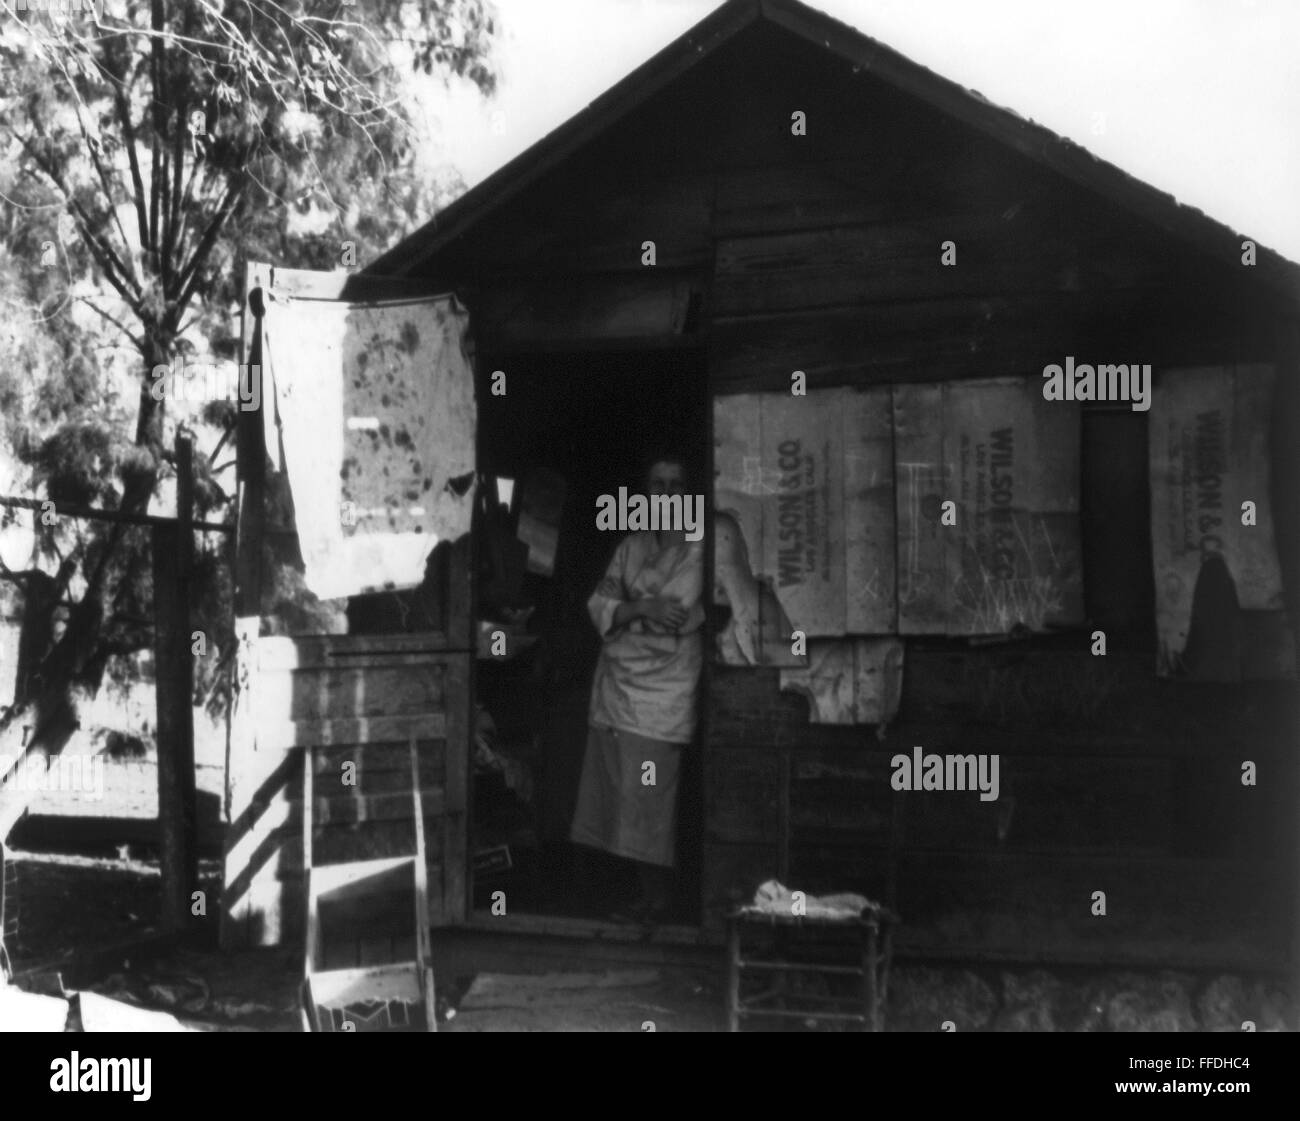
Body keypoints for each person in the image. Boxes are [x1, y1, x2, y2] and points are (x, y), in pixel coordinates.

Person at [569, 452, 704, 922]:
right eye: (657, 484)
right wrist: (640, 610)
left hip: (661, 696)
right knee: (622, 795)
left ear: (688, 492)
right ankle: (644, 899)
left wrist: (630, 611)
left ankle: (661, 901)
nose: (665, 493)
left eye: (675, 484)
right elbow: (599, 606)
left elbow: (675, 614)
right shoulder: (632, 544)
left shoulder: (698, 547)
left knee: (650, 797)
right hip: (618, 691)